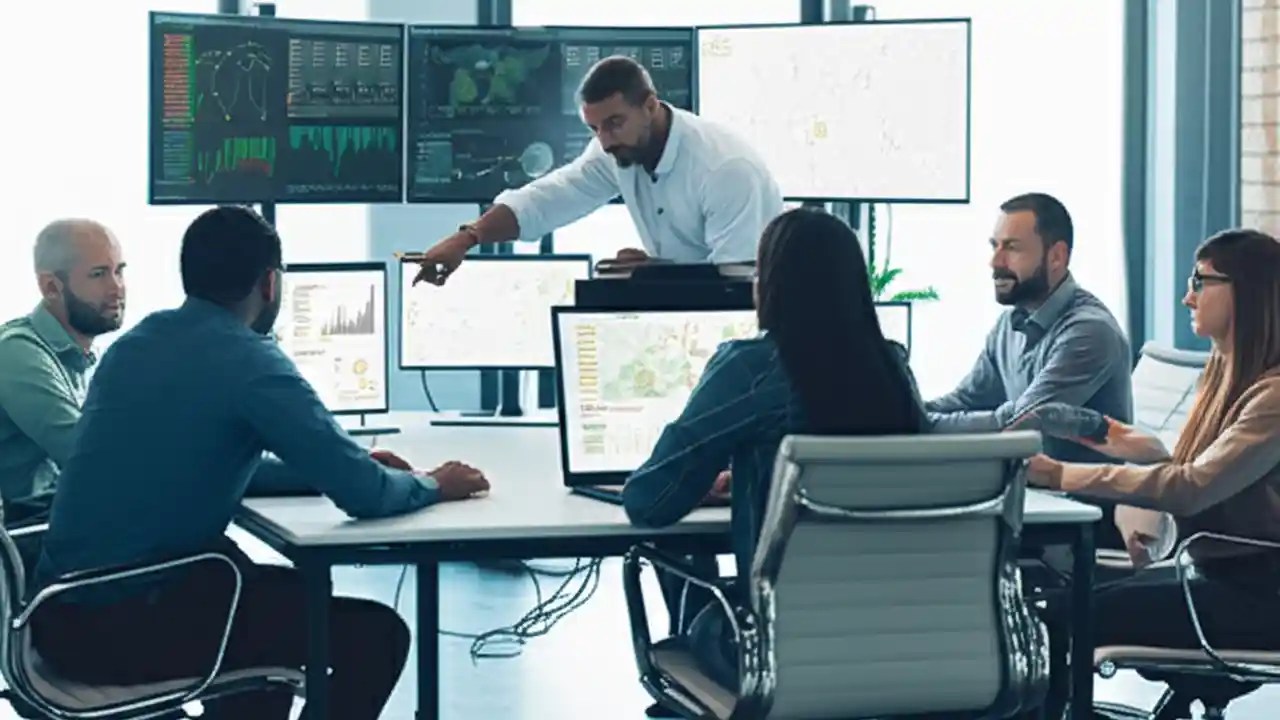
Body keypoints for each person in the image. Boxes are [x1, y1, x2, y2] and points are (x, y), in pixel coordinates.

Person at [31, 206, 491, 720]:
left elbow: (194, 458)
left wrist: (333, 465)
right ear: (269, 284)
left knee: (278, 604)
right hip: (124, 626)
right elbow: (367, 495)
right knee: (376, 636)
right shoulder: (250, 362)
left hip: (58, 613)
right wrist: (433, 483)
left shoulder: (136, 345)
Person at [622, 208, 927, 708]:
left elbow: (650, 501)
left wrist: (701, 480)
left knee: (692, 596)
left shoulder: (752, 368)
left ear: (775, 284)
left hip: (774, 649)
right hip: (891, 643)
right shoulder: (893, 369)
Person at [1025, 228, 1280, 717]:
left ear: (1245, 290)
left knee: (1057, 615)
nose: (1188, 295)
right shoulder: (1223, 375)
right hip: (1209, 580)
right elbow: (1202, 480)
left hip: (1255, 599)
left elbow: (1190, 490)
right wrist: (1144, 452)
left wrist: (1060, 475)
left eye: (1200, 281)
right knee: (1048, 599)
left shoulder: (1272, 397)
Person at [411, 55, 784, 286]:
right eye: (594, 129)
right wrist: (467, 238)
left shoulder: (725, 169)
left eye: (614, 123)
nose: (604, 141)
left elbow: (737, 286)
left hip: (755, 346)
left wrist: (657, 275)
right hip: (686, 324)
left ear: (650, 106)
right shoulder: (619, 149)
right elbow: (549, 199)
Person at [925, 192, 1133, 548]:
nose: (995, 261)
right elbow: (968, 399)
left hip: (1079, 527)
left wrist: (920, 425)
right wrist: (905, 411)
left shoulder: (1088, 332)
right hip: (1029, 506)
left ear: (1056, 256)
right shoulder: (1011, 324)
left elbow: (1019, 422)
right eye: (994, 245)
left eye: (1012, 248)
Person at [0, 219, 125, 526]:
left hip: (57, 522)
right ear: (51, 287)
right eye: (98, 275)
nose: (116, 288)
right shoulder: (17, 353)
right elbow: (87, 458)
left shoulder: (76, 357)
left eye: (119, 270)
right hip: (27, 539)